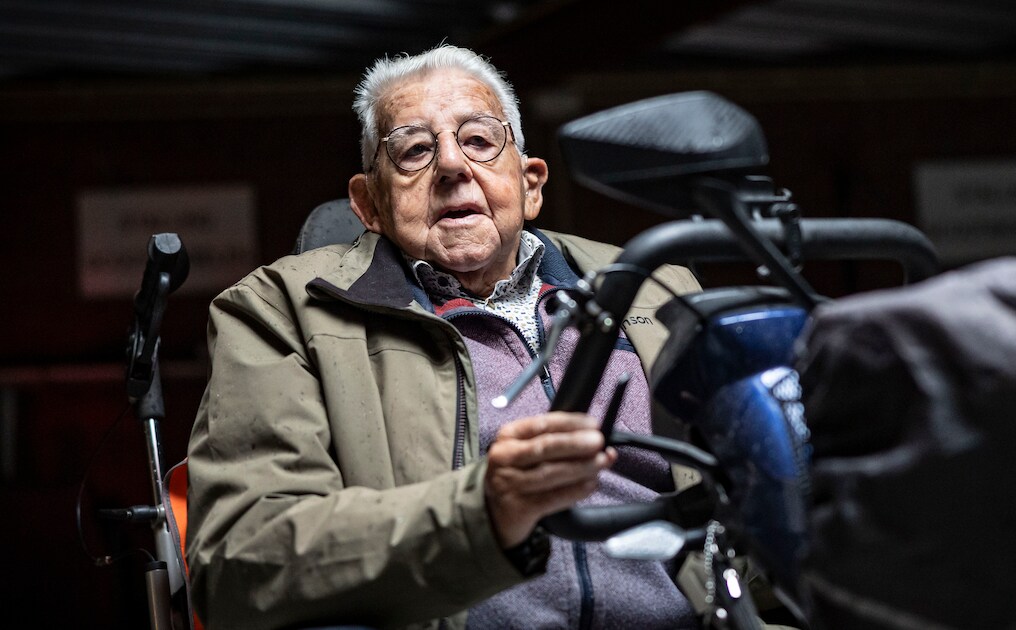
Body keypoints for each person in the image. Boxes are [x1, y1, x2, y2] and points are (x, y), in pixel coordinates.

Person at [185, 44, 713, 629]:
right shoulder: (281, 309)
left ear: (530, 183)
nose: (454, 167)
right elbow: (242, 561)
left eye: (481, 141)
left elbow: (770, 498)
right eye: (414, 150)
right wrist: (480, 512)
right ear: (369, 204)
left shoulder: (653, 286)